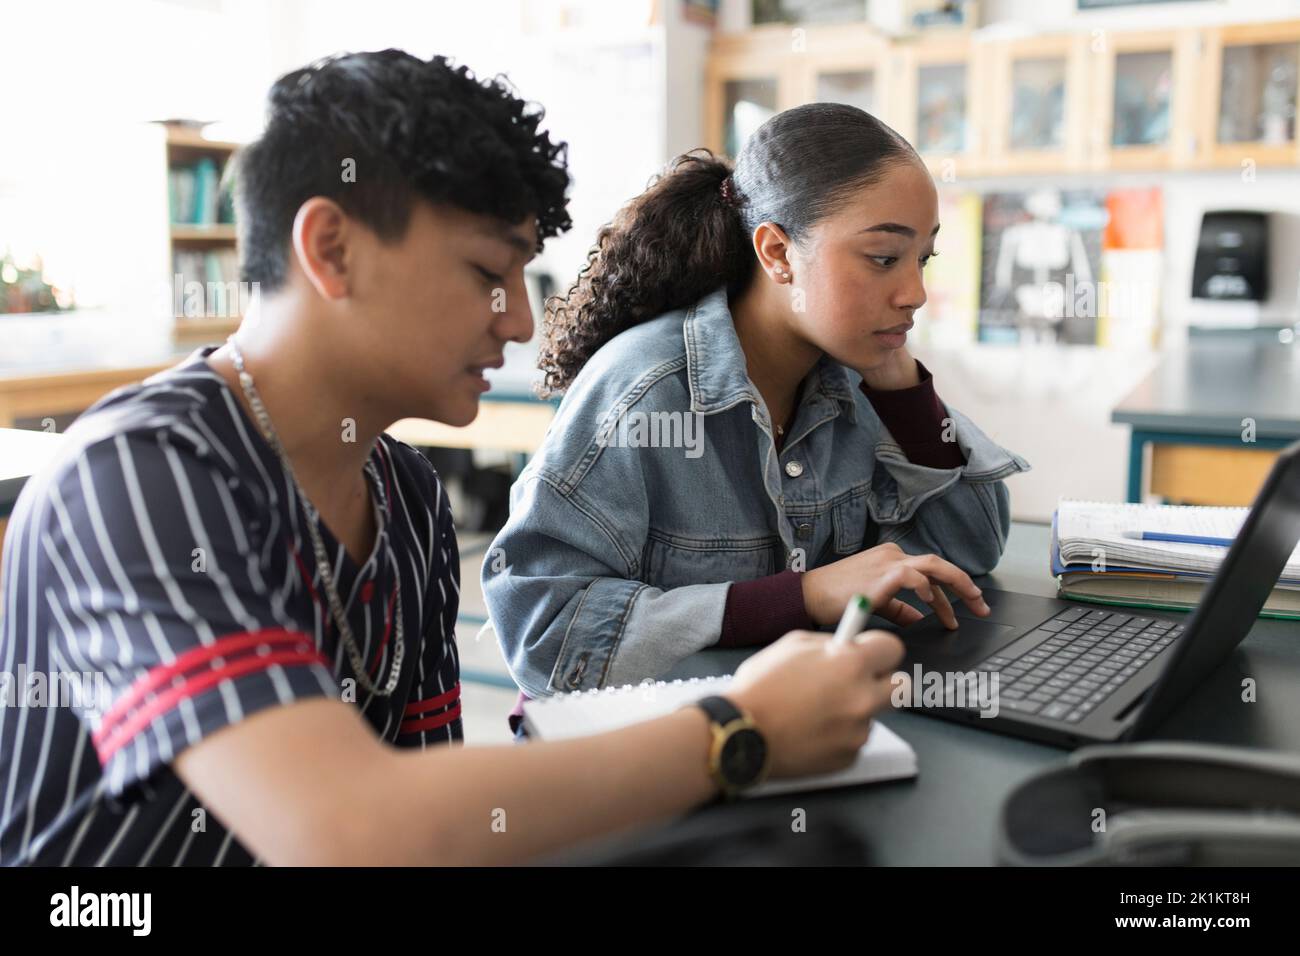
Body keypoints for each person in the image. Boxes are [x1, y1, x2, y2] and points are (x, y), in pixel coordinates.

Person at [0, 51, 907, 867]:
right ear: (332, 248)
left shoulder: (404, 493)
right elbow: (349, 833)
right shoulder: (140, 474)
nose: (517, 321)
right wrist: (737, 730)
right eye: (487, 273)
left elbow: (434, 814)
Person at [483, 103, 1029, 709]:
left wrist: (905, 391)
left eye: (922, 259)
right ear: (776, 253)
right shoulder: (645, 389)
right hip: (640, 760)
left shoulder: (853, 381)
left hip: (788, 734)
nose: (915, 294)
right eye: (883, 259)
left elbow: (972, 549)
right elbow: (542, 633)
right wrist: (802, 595)